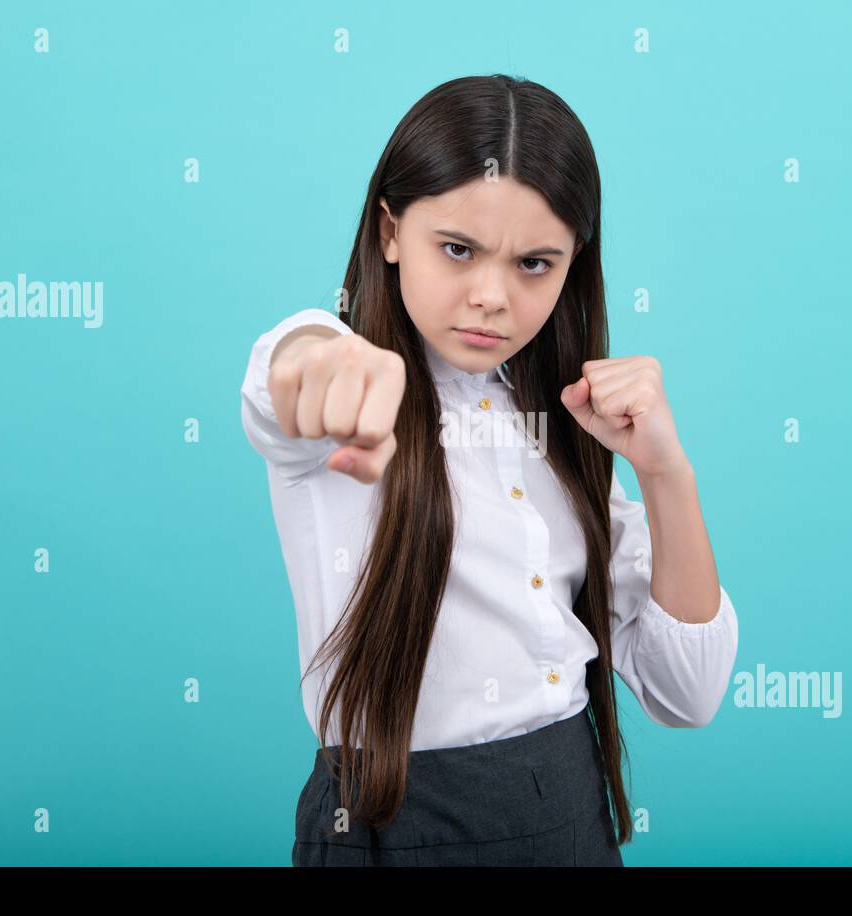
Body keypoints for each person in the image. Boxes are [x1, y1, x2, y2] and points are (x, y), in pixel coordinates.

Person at [239, 73, 739, 866]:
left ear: (574, 264)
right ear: (390, 231)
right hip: (390, 823)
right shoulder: (348, 401)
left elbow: (689, 693)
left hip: (570, 813)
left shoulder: (565, 428)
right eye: (458, 249)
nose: (491, 297)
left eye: (535, 263)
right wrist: (318, 358)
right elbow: (286, 374)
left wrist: (666, 472)